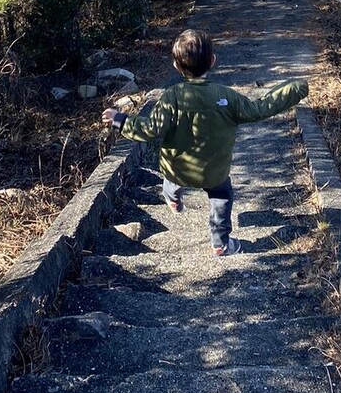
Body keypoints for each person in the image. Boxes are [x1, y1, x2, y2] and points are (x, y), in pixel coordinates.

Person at [102, 28, 308, 258]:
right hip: (214, 172)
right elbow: (259, 109)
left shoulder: (172, 97)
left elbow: (151, 129)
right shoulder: (227, 96)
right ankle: (221, 243)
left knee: (171, 179)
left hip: (177, 170)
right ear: (213, 61)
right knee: (222, 196)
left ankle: (172, 197)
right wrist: (294, 88)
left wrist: (120, 120)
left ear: (176, 66)